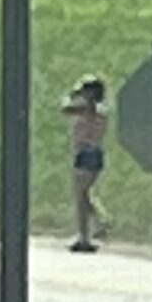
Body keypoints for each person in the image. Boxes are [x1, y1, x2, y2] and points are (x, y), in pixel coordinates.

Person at [63, 77, 111, 252]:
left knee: (81, 197)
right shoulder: (100, 110)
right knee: (84, 195)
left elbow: (66, 109)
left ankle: (86, 235)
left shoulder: (87, 109)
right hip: (92, 154)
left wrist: (72, 94)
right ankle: (98, 225)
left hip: (87, 154)